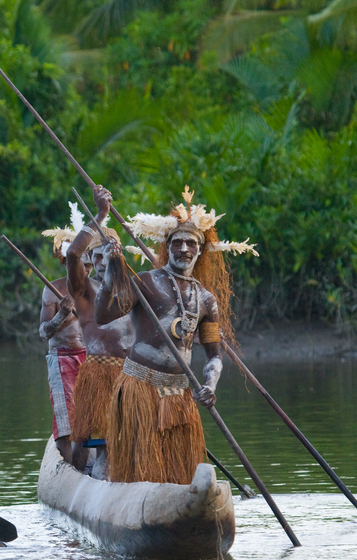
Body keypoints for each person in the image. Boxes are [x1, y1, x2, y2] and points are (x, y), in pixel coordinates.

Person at [95, 186, 257, 484]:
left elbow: (213, 357)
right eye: (178, 242)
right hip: (139, 388)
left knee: (179, 472)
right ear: (167, 247)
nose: (184, 249)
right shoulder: (145, 283)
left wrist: (210, 385)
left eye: (191, 243)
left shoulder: (207, 300)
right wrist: (109, 275)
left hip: (181, 393)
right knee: (140, 470)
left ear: (200, 249)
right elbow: (102, 316)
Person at [63, 188, 134, 478]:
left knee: (135, 444)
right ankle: (97, 481)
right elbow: (71, 253)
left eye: (110, 253)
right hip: (101, 375)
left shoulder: (137, 289)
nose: (104, 260)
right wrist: (101, 215)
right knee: (103, 447)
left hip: (133, 377)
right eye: (97, 255)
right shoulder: (85, 291)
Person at [38, 206, 89, 468]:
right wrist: (62, 315)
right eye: (80, 261)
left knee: (92, 422)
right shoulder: (54, 290)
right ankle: (70, 473)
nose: (86, 267)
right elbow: (43, 331)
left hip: (92, 358)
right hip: (62, 359)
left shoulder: (97, 288)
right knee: (66, 426)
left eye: (89, 261)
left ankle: (89, 470)